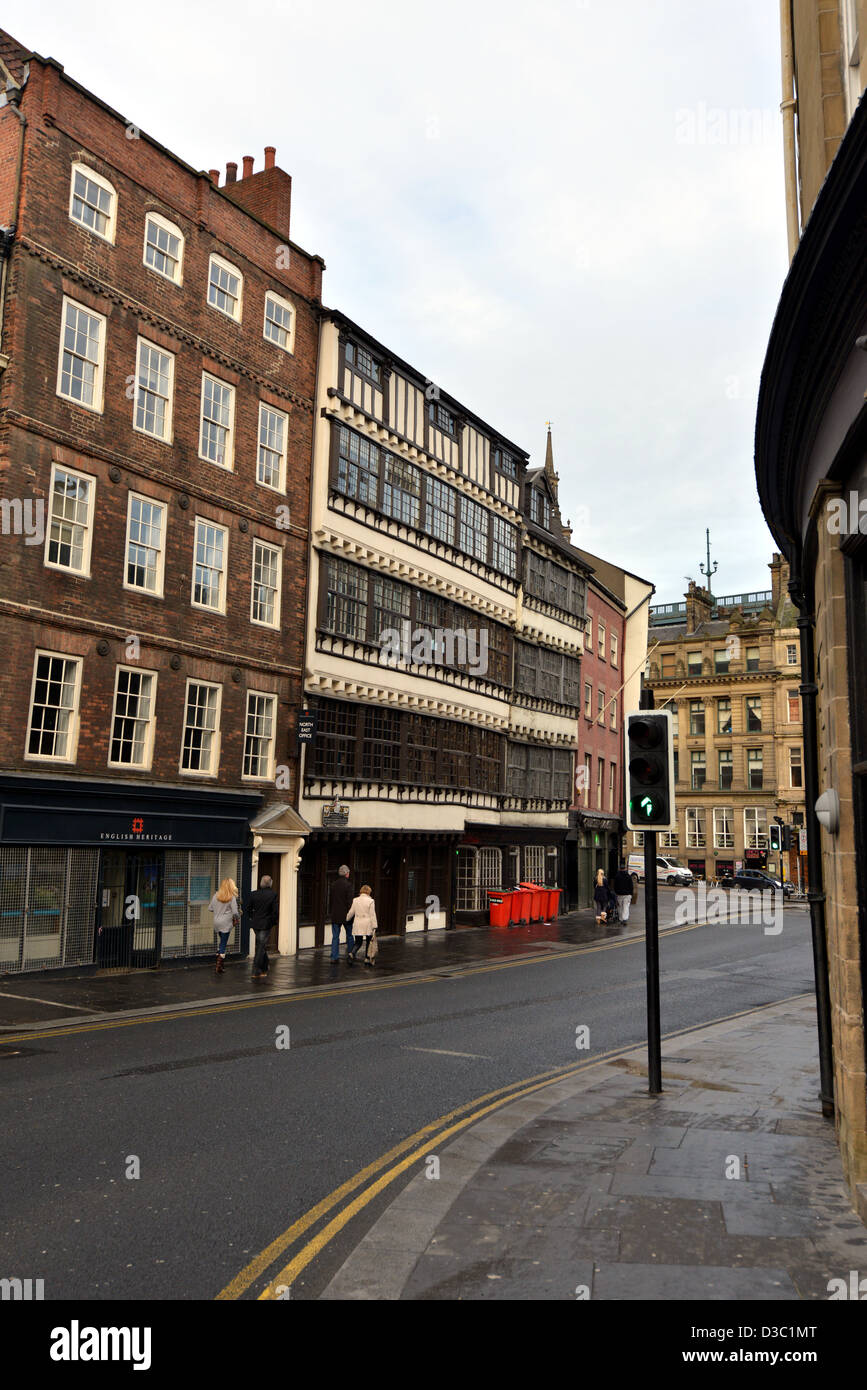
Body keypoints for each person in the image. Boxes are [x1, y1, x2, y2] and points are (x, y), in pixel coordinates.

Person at [247, 874, 279, 978]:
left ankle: (265, 968)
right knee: (261, 947)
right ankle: (255, 971)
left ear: (261, 883)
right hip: (266, 924)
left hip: (256, 924)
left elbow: (248, 908)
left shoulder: (253, 894)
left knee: (261, 945)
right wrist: (273, 922)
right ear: (270, 883)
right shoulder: (273, 894)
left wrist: (251, 918)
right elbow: (275, 911)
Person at [209, 877, 239, 974]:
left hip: (216, 922)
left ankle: (220, 964)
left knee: (221, 941)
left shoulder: (216, 895)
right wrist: (237, 917)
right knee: (223, 943)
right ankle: (219, 966)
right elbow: (235, 912)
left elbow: (210, 908)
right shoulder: (232, 897)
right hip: (226, 923)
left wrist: (219, 909)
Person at [329, 864, 355, 964]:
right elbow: (350, 902)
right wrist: (351, 914)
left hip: (335, 914)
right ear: (347, 874)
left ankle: (334, 957)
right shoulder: (348, 885)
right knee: (349, 935)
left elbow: (331, 900)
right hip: (346, 915)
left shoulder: (333, 885)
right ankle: (350, 954)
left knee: (335, 936)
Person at [346, 884, 378, 966]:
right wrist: (375, 926)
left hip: (358, 922)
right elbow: (372, 915)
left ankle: (352, 953)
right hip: (367, 923)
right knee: (368, 941)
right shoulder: (371, 901)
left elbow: (351, 912)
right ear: (369, 892)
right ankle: (367, 958)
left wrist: (347, 919)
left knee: (358, 942)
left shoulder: (355, 900)